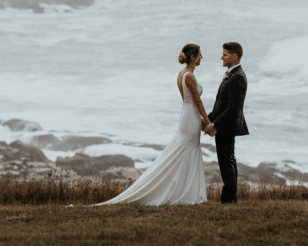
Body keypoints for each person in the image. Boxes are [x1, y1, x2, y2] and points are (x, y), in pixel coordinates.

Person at [89, 44, 212, 206]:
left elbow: (188, 101)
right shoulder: (189, 76)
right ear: (192, 58)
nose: (202, 58)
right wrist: (208, 123)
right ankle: (185, 193)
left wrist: (201, 120)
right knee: (186, 152)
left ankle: (187, 192)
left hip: (188, 116)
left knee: (186, 153)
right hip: (191, 119)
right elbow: (197, 101)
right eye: (200, 55)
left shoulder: (181, 75)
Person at [204, 42, 249, 204]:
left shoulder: (237, 77)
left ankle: (229, 199)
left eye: (225, 54)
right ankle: (230, 198)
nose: (221, 57)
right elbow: (221, 104)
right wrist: (208, 119)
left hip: (227, 126)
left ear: (234, 56)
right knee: (227, 160)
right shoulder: (232, 74)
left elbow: (233, 107)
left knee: (226, 161)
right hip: (223, 124)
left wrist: (215, 125)